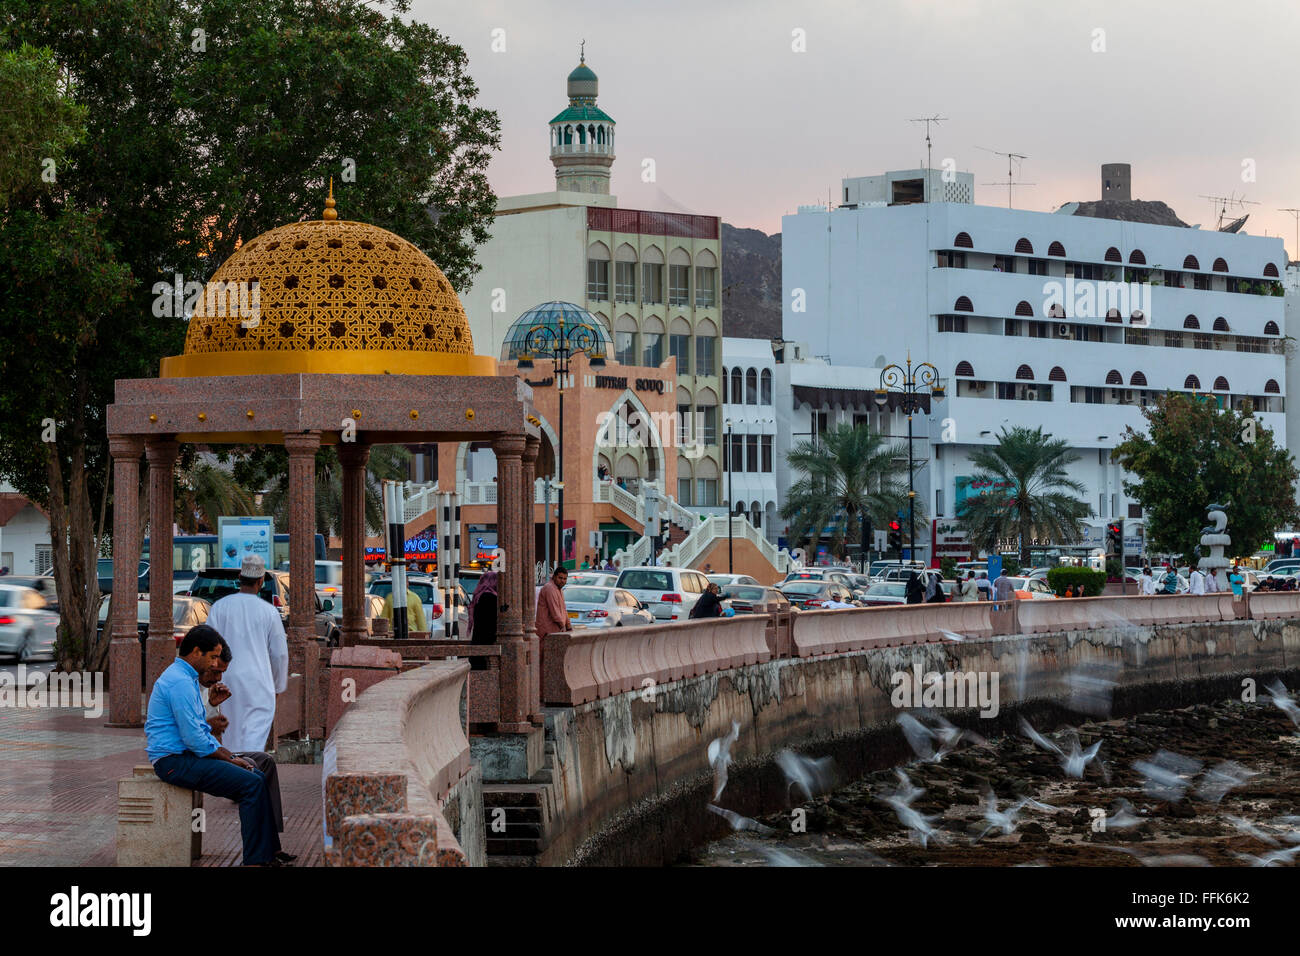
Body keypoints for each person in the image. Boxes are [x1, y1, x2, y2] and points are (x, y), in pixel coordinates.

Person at [145, 625, 284, 866]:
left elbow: (198, 732)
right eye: (212, 658)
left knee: (257, 775)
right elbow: (194, 739)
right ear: (196, 652)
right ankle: (256, 860)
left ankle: (267, 854)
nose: (213, 665)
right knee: (251, 784)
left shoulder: (186, 679)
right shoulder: (179, 682)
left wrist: (229, 756)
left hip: (186, 756)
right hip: (174, 762)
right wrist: (229, 758)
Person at [199, 640, 290, 847]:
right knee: (252, 772)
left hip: (207, 751)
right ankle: (257, 854)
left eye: (222, 672)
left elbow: (205, 728)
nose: (218, 678)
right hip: (194, 756)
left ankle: (272, 844)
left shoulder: (207, 686)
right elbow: (193, 735)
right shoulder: (185, 684)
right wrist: (230, 757)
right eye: (215, 670)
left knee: (265, 761)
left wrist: (212, 707)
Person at [202, 555, 288, 754]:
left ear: (240, 577)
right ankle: (246, 776)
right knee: (253, 744)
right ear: (261, 581)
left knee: (229, 737)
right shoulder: (269, 612)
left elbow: (207, 644)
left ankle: (234, 775)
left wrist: (208, 682)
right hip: (259, 684)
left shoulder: (219, 607)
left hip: (225, 682)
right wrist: (277, 686)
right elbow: (279, 655)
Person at [465, 569, 501, 671]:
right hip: (486, 647)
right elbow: (492, 623)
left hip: (478, 644)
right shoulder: (490, 598)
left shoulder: (479, 596)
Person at [535, 567, 571, 639]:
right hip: (547, 630)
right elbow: (555, 611)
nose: (562, 581)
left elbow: (563, 609)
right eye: (560, 578)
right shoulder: (550, 588)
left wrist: (568, 626)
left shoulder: (558, 589)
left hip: (555, 630)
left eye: (565, 579)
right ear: (554, 577)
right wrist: (563, 626)